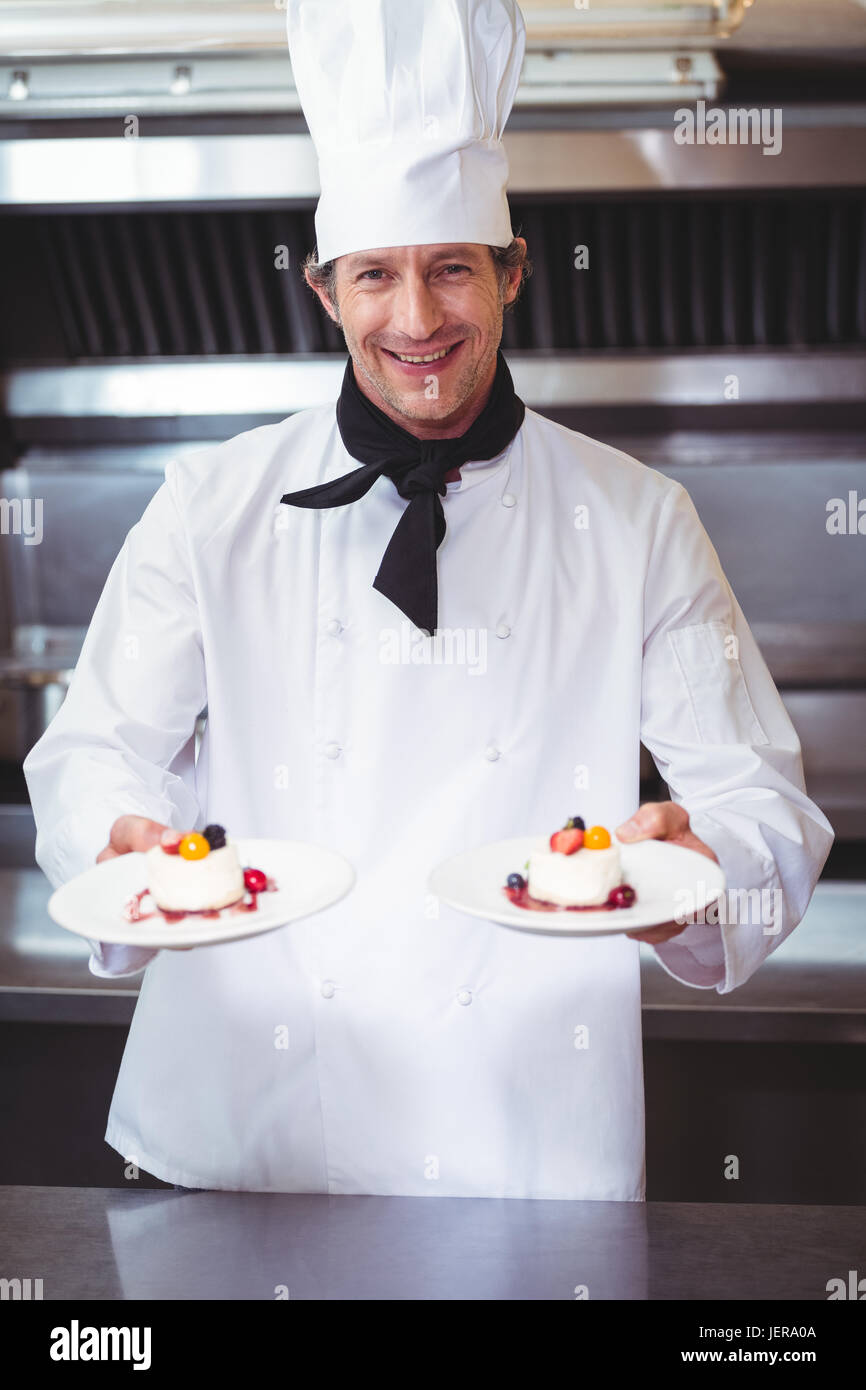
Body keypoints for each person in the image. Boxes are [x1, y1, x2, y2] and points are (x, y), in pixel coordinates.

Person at [23, 0, 833, 1200]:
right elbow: (93, 755)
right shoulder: (211, 504)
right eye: (376, 276)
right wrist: (126, 841)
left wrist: (696, 872)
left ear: (511, 269)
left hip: (521, 1154)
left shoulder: (635, 519)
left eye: (452, 267)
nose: (415, 320)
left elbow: (761, 813)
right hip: (236, 1136)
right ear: (322, 289)